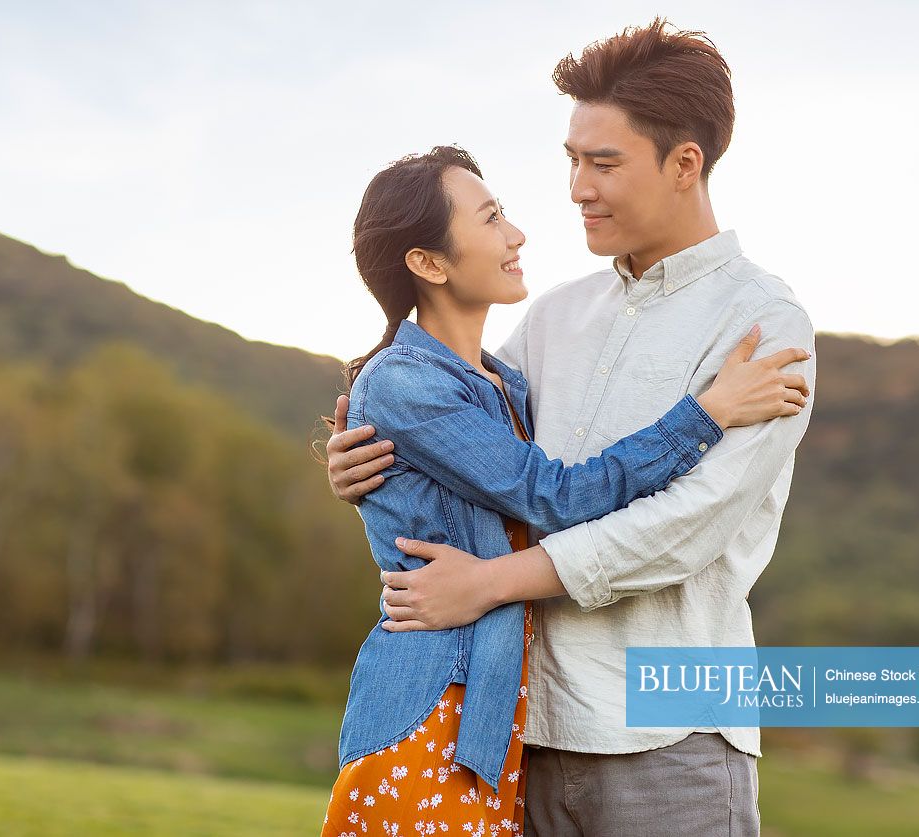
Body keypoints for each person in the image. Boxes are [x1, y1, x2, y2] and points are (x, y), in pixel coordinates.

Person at [324, 18, 818, 836]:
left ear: (684, 163)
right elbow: (464, 445)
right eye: (570, 160)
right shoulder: (553, 317)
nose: (576, 188)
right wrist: (360, 468)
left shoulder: (763, 323)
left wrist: (490, 583)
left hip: (671, 739)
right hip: (521, 739)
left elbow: (681, 529)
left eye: (603, 163)